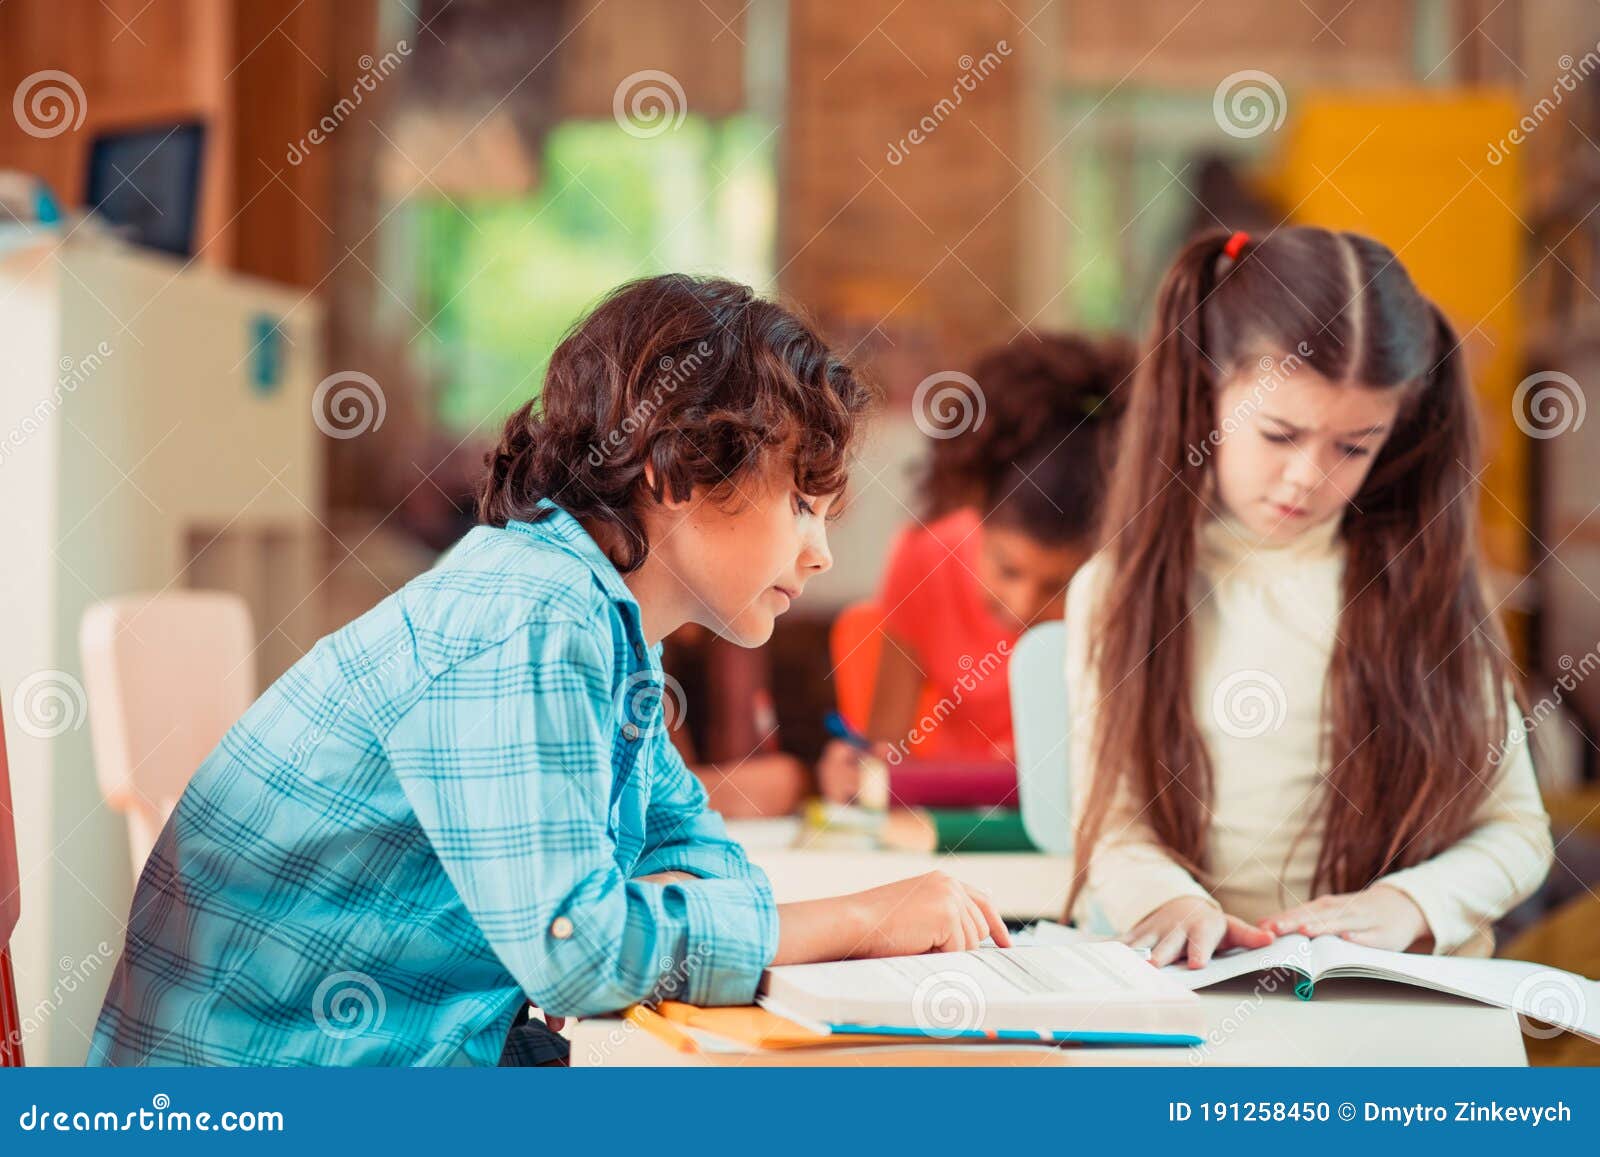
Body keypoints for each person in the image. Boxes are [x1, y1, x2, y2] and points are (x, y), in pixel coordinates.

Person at [87, 274, 1009, 1067]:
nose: (817, 553)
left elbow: (685, 848)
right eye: (803, 502)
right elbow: (578, 951)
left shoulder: (607, 629)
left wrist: (689, 916)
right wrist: (859, 920)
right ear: (672, 467)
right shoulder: (530, 615)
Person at [1065, 227, 1553, 969]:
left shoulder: (1428, 583)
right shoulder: (1117, 591)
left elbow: (1517, 831)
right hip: (1204, 986)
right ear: (1207, 393)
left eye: (1353, 446)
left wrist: (1410, 903)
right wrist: (1175, 906)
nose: (1306, 476)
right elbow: (1115, 828)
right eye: (1279, 432)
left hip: (1394, 992)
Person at [819, 333, 1130, 800]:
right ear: (976, 513)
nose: (1025, 605)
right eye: (1008, 569)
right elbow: (886, 752)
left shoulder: (1122, 585)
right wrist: (857, 774)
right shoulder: (923, 559)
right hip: (960, 817)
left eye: (1058, 585)